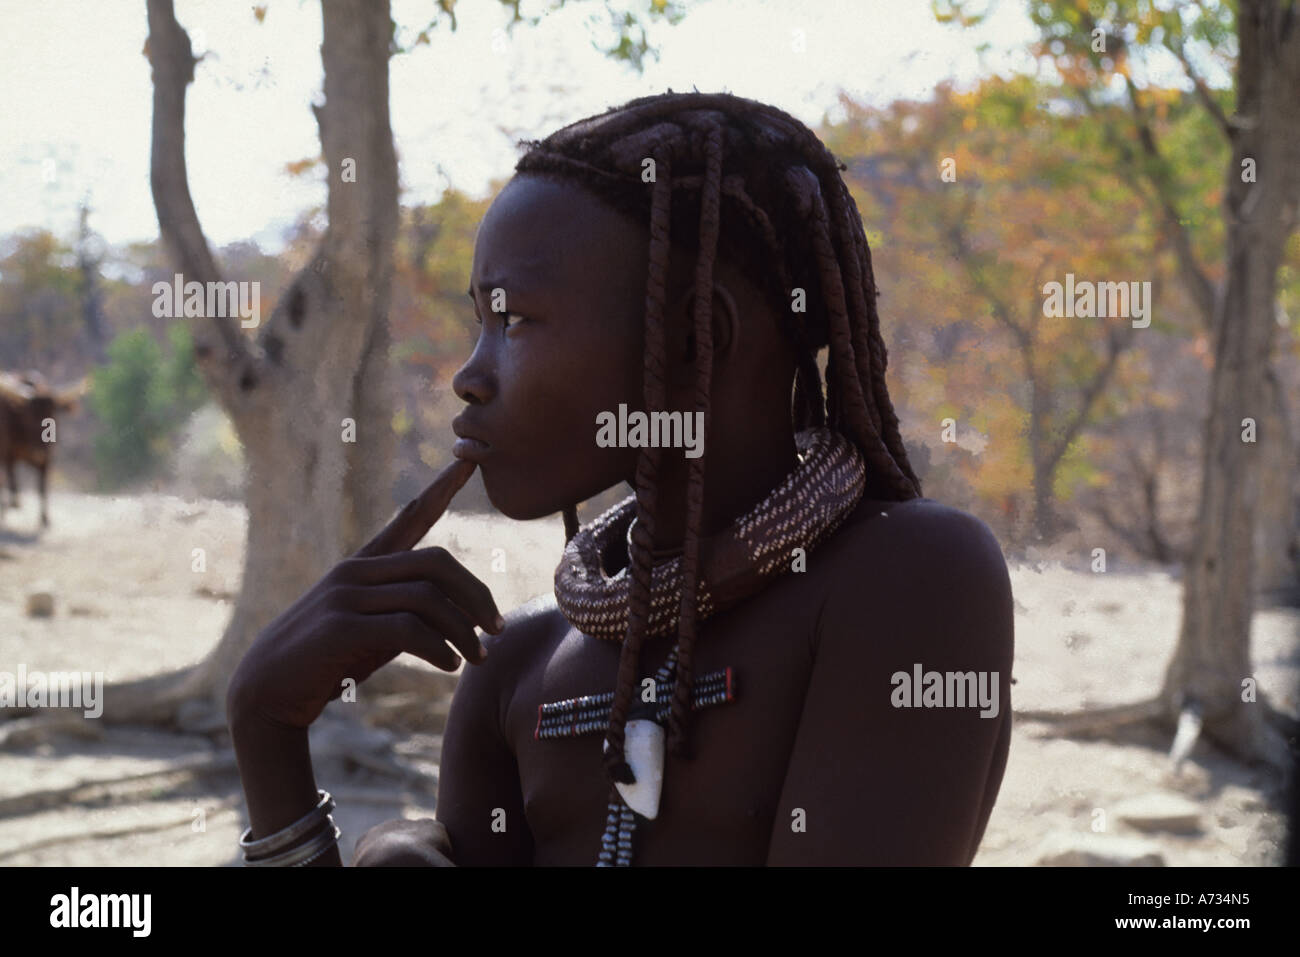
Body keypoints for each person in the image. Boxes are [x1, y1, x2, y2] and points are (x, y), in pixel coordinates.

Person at [226, 91, 1015, 867]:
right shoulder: (512, 666)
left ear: (691, 335)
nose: (469, 376)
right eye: (479, 321)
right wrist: (267, 731)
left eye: (515, 321)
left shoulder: (912, 578)